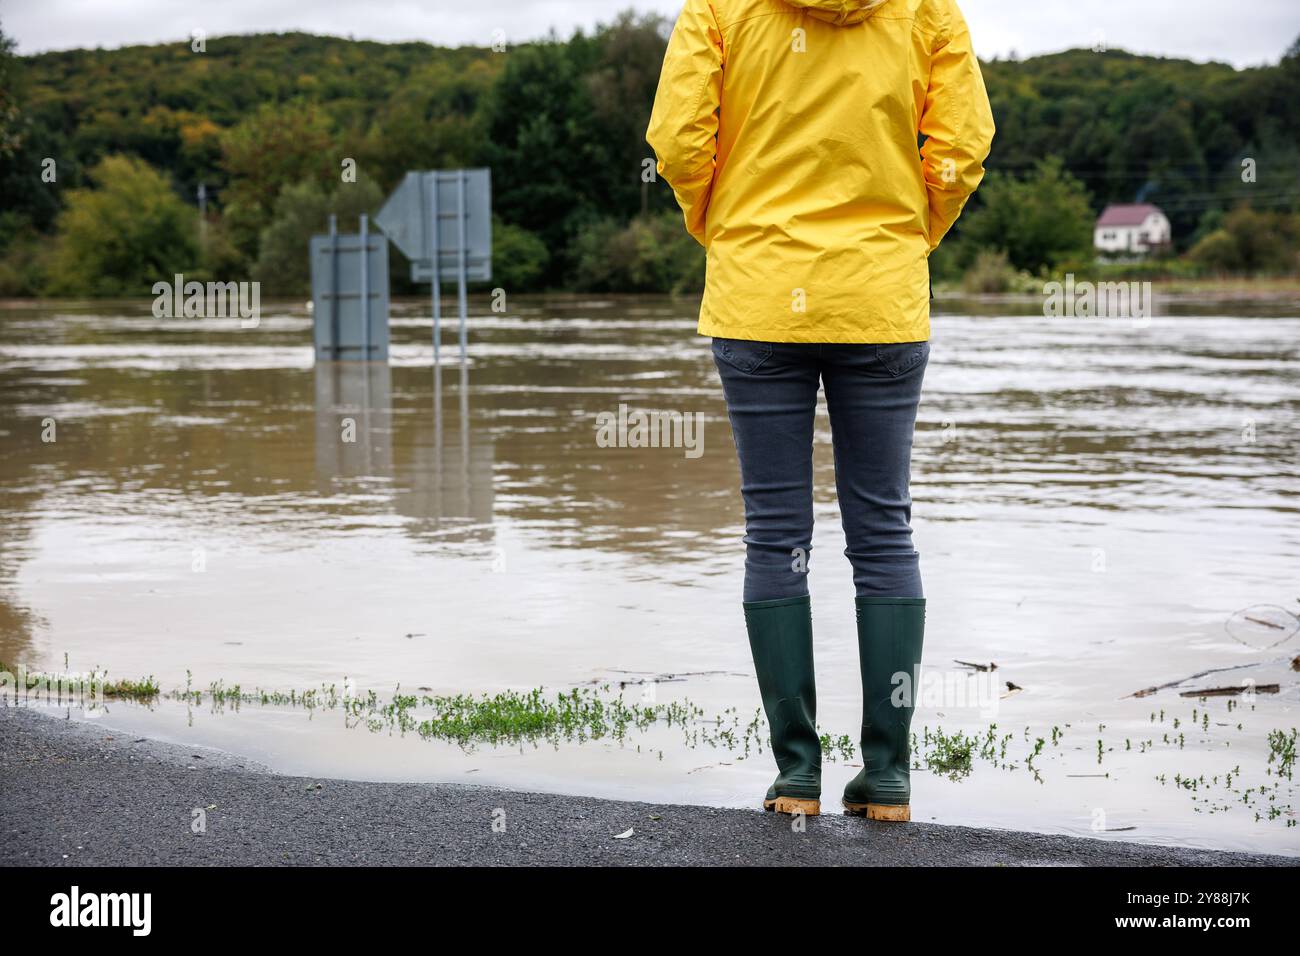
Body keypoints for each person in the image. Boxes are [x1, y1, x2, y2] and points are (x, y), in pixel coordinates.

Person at [646, 0, 994, 820]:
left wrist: (724, 228)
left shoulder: (718, 8)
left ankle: (797, 773)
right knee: (884, 532)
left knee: (775, 532)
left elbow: (678, 139)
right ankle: (889, 776)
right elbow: (963, 146)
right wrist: (905, 241)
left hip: (758, 291)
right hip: (881, 296)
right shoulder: (926, 9)